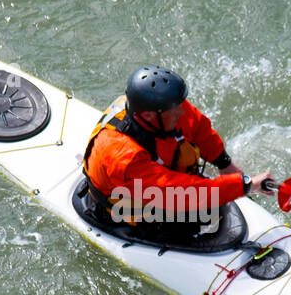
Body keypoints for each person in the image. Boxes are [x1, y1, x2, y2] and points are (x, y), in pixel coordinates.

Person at [82, 66, 274, 241]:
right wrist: (246, 185)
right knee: (199, 213)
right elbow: (183, 195)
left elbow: (197, 126)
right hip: (126, 211)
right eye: (175, 110)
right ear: (148, 115)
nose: (181, 112)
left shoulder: (159, 108)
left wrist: (225, 164)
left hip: (157, 184)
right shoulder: (124, 156)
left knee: (206, 198)